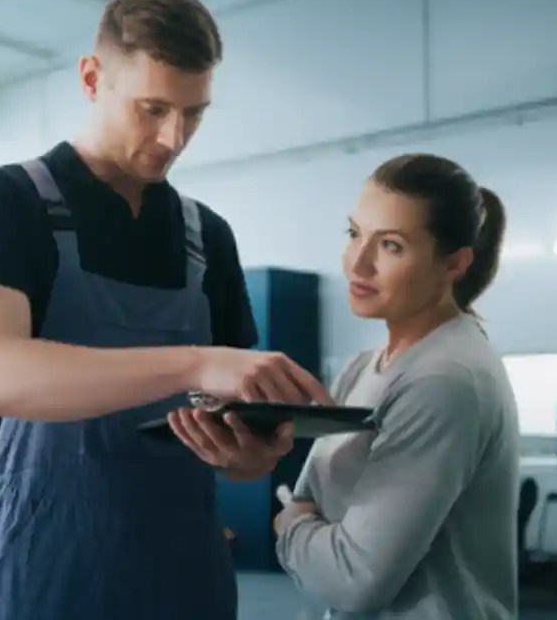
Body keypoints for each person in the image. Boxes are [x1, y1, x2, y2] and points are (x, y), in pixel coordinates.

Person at [0, 0, 329, 620]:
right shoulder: (4, 204)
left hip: (182, 573)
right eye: (152, 108)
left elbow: (236, 445)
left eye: (194, 113)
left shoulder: (208, 238)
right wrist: (194, 363)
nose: (174, 137)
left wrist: (253, 454)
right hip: (42, 573)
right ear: (92, 79)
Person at [219, 153, 517, 619]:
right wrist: (304, 521)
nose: (358, 262)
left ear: (455, 263)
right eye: (355, 233)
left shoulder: (443, 380)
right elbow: (305, 500)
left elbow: (352, 579)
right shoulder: (363, 369)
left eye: (391, 246)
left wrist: (293, 528)